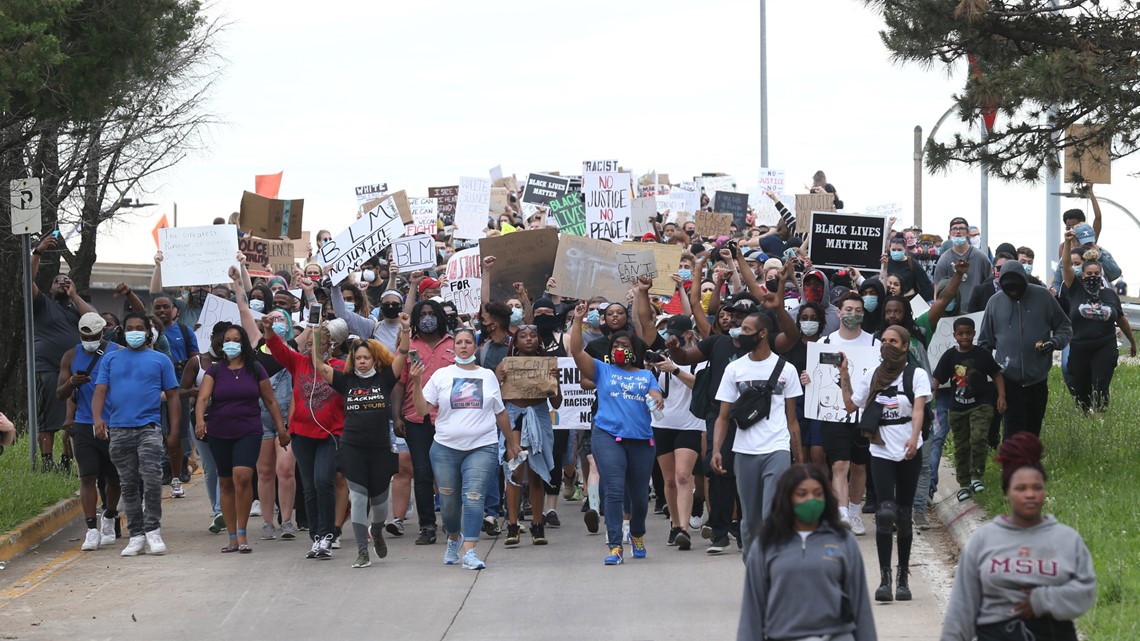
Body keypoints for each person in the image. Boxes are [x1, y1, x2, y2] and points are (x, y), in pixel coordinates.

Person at [941, 433, 1096, 641]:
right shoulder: (984, 540)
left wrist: (1042, 600)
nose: (1030, 494)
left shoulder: (1067, 540)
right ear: (1007, 492)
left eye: (1037, 488)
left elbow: (1085, 593)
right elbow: (962, 608)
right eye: (1021, 488)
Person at [410, 328, 520, 570]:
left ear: (475, 347)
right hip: (445, 448)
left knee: (473, 498)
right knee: (448, 502)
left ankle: (470, 551)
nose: (463, 346)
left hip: (482, 446)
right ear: (453, 348)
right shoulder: (441, 375)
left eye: (468, 342)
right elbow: (420, 410)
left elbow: (500, 412)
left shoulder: (488, 375)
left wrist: (512, 443)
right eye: (458, 342)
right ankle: (453, 537)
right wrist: (417, 381)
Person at [841, 325, 931, 603]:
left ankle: (903, 576)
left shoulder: (915, 375)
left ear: (905, 346)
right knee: (885, 513)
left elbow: (918, 410)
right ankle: (884, 578)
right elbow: (851, 406)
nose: (887, 345)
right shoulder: (873, 376)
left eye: (893, 341)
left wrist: (914, 438)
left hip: (908, 451)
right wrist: (844, 375)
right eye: (883, 341)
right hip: (880, 450)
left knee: (903, 515)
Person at [737, 464, 876, 641]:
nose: (811, 500)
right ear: (787, 499)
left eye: (818, 494)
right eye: (802, 494)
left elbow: (860, 604)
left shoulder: (843, 541)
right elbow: (752, 609)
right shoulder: (766, 544)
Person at [713, 312, 802, 558]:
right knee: (750, 521)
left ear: (762, 333)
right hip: (745, 450)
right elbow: (722, 416)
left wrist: (799, 460)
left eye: (746, 329)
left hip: (777, 447)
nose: (741, 334)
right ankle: (754, 569)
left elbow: (792, 420)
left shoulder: (787, 369)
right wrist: (717, 450)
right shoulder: (734, 369)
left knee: (771, 515)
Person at [91, 312, 180, 556]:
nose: (134, 331)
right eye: (130, 327)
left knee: (151, 480)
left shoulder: (160, 360)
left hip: (149, 429)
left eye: (139, 327)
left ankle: (153, 530)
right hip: (119, 430)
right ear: (123, 331)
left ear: (148, 333)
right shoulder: (111, 359)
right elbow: (100, 391)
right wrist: (98, 418)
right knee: (128, 484)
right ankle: (136, 534)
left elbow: (172, 396)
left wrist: (174, 431)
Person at [195, 324, 288, 553]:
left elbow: (270, 401)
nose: (231, 343)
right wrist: (200, 420)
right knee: (226, 482)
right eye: (227, 339)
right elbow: (203, 398)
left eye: (236, 339)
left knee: (243, 476)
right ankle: (232, 536)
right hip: (219, 431)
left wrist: (281, 428)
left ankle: (244, 533)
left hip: (249, 430)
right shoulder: (214, 371)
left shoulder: (255, 369)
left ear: (243, 343)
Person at [312, 329, 400, 568]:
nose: (362, 361)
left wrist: (406, 330)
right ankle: (362, 551)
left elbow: (402, 353)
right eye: (358, 357)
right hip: (352, 448)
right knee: (358, 499)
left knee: (381, 505)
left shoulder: (385, 379)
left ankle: (378, 530)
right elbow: (318, 364)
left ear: (374, 359)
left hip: (380, 449)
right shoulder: (345, 380)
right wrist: (316, 336)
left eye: (366, 357)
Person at [264, 315, 347, 560]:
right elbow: (278, 349)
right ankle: (317, 537)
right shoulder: (299, 363)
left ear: (329, 344)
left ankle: (330, 534)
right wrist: (269, 330)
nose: (311, 347)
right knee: (309, 488)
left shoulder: (340, 368)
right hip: (302, 435)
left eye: (317, 343)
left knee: (324, 481)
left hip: (330, 434)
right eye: (309, 343)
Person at [979, 262, 1072, 439]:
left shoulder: (1043, 297)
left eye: (1017, 288)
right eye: (1009, 290)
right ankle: (1012, 464)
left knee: (1032, 430)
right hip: (1008, 379)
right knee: (1013, 430)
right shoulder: (995, 303)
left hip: (1037, 378)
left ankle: (1029, 463)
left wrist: (1054, 342)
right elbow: (985, 342)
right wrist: (987, 372)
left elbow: (1064, 326)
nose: (1013, 292)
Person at [31, 234, 97, 472]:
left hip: (77, 370)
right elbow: (26, 281)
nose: (62, 283)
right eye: (58, 281)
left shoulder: (77, 308)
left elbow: (95, 320)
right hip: (48, 367)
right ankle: (48, 463)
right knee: (49, 419)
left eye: (66, 280)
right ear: (49, 288)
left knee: (72, 419)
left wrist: (74, 295)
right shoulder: (42, 304)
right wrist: (37, 252)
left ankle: (68, 460)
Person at [392, 299, 456, 545]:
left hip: (449, 419)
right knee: (422, 473)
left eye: (432, 313)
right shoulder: (407, 347)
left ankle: (452, 523)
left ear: (440, 316)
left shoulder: (454, 344)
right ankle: (427, 526)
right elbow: (398, 384)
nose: (427, 318)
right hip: (416, 419)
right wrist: (396, 416)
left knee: (449, 474)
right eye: (422, 314)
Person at [57, 312, 121, 551]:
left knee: (114, 477)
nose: (89, 339)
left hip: (113, 422)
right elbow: (60, 394)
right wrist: (72, 382)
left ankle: (109, 515)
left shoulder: (117, 352)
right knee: (87, 476)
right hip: (83, 424)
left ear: (102, 332)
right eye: (85, 335)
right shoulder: (71, 355)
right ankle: (91, 528)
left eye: (93, 335)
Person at [495, 324, 561, 546]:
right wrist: (499, 379)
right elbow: (497, 401)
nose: (529, 339)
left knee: (536, 473)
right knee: (514, 471)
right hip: (514, 417)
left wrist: (556, 381)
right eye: (523, 336)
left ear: (539, 340)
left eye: (533, 335)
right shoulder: (504, 365)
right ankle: (512, 525)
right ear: (516, 342)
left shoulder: (549, 365)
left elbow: (557, 403)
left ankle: (537, 524)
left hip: (539, 416)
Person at [1060, 230, 1135, 415]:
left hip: (1104, 345)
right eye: (1089, 273)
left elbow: (1121, 319)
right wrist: (1068, 243)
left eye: (1096, 273)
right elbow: (1066, 266)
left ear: (1101, 275)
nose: (1092, 276)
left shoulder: (1109, 295)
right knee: (1081, 386)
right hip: (1079, 346)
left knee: (1101, 383)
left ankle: (1100, 418)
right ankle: (1086, 415)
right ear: (1083, 275)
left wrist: (1132, 342)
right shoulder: (1075, 289)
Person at [647, 316, 706, 550]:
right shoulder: (661, 356)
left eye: (675, 334)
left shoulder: (698, 358)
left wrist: (675, 369)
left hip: (690, 423)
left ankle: (684, 528)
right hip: (662, 423)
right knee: (669, 480)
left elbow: (699, 385)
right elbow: (649, 387)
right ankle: (674, 523)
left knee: (683, 475)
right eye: (667, 335)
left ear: (688, 335)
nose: (670, 339)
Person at [933, 317, 1005, 502]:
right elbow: (937, 379)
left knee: (979, 438)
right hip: (957, 408)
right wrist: (931, 399)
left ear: (974, 333)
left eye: (968, 333)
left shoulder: (982, 354)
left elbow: (996, 374)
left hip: (981, 404)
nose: (964, 337)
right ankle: (964, 483)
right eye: (960, 333)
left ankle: (976, 477)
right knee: (961, 445)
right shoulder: (949, 356)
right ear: (954, 335)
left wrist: (1001, 396)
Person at [934, 217, 992, 307]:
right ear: (950, 233)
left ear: (968, 232)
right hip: (953, 312)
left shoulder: (980, 257)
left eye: (961, 228)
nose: (958, 232)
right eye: (954, 229)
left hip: (977, 310)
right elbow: (937, 289)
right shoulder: (944, 259)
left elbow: (990, 283)